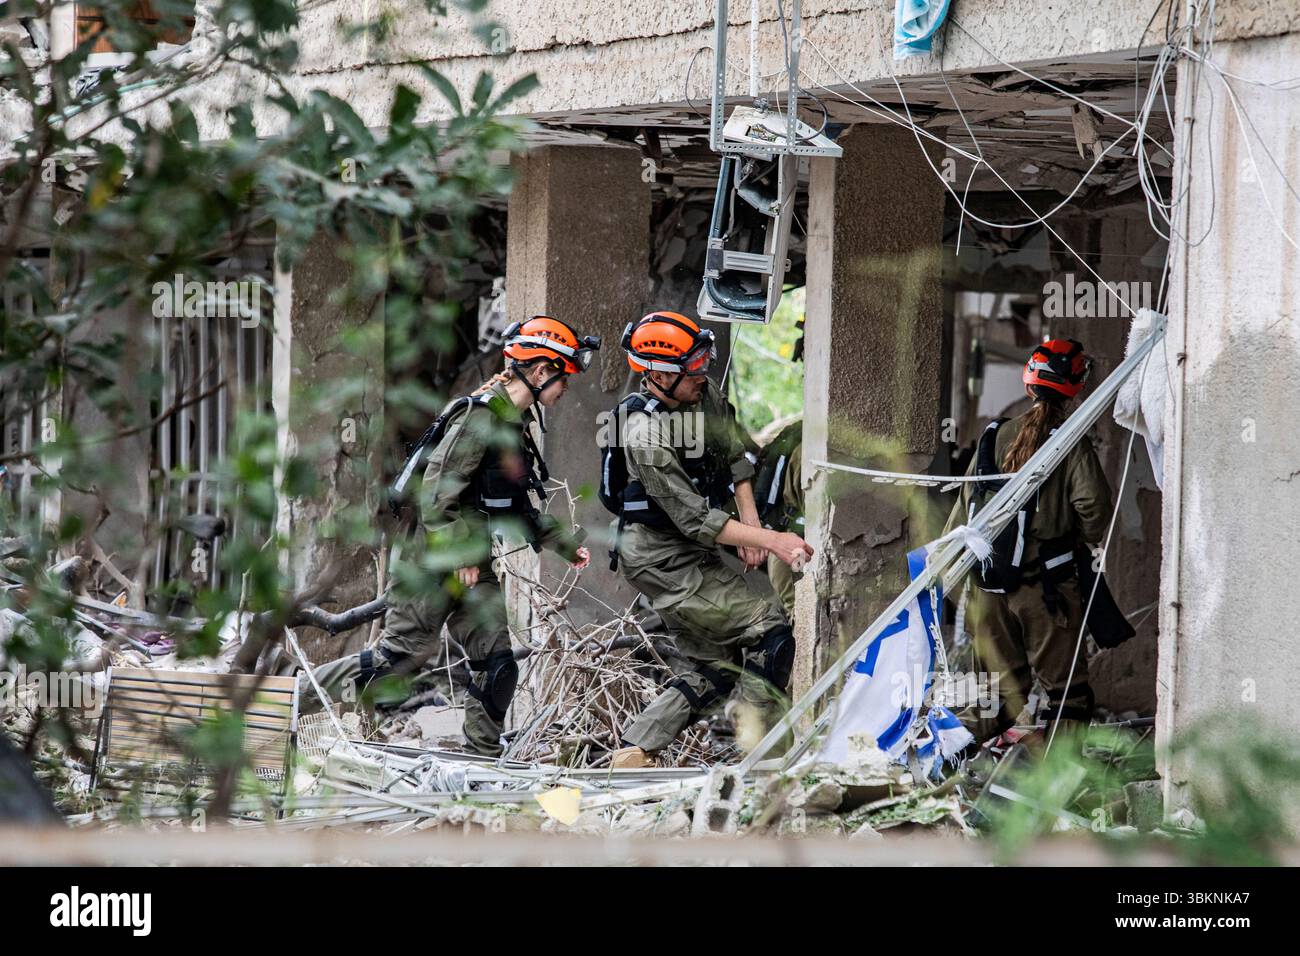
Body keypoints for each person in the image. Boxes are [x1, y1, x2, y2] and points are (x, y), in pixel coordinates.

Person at [307, 316, 599, 757]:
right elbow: (436, 491)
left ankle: (481, 760)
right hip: (434, 558)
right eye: (563, 379)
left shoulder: (510, 420)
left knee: (497, 665)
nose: (564, 390)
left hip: (470, 559)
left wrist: (561, 542)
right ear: (539, 372)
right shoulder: (478, 417)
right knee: (396, 660)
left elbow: (512, 503)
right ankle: (292, 697)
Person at [600, 311, 813, 768]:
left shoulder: (702, 396)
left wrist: (752, 526)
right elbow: (694, 519)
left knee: (713, 669)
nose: (704, 375)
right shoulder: (644, 433)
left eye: (704, 362)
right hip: (661, 557)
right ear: (657, 373)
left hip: (690, 546)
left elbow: (736, 458)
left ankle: (636, 750)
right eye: (693, 368)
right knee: (769, 629)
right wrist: (773, 540)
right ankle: (766, 757)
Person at [947, 338, 1113, 746]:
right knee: (1068, 694)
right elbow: (1092, 504)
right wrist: (1078, 542)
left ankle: (939, 755)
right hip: (1046, 591)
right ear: (1075, 389)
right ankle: (1055, 791)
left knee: (1001, 695)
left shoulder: (992, 436)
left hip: (989, 589)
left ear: (1028, 384)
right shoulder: (1070, 441)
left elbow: (962, 516)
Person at [753, 418, 804, 617]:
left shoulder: (798, 442)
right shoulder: (807, 450)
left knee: (796, 612)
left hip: (785, 543)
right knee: (799, 614)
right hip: (792, 546)